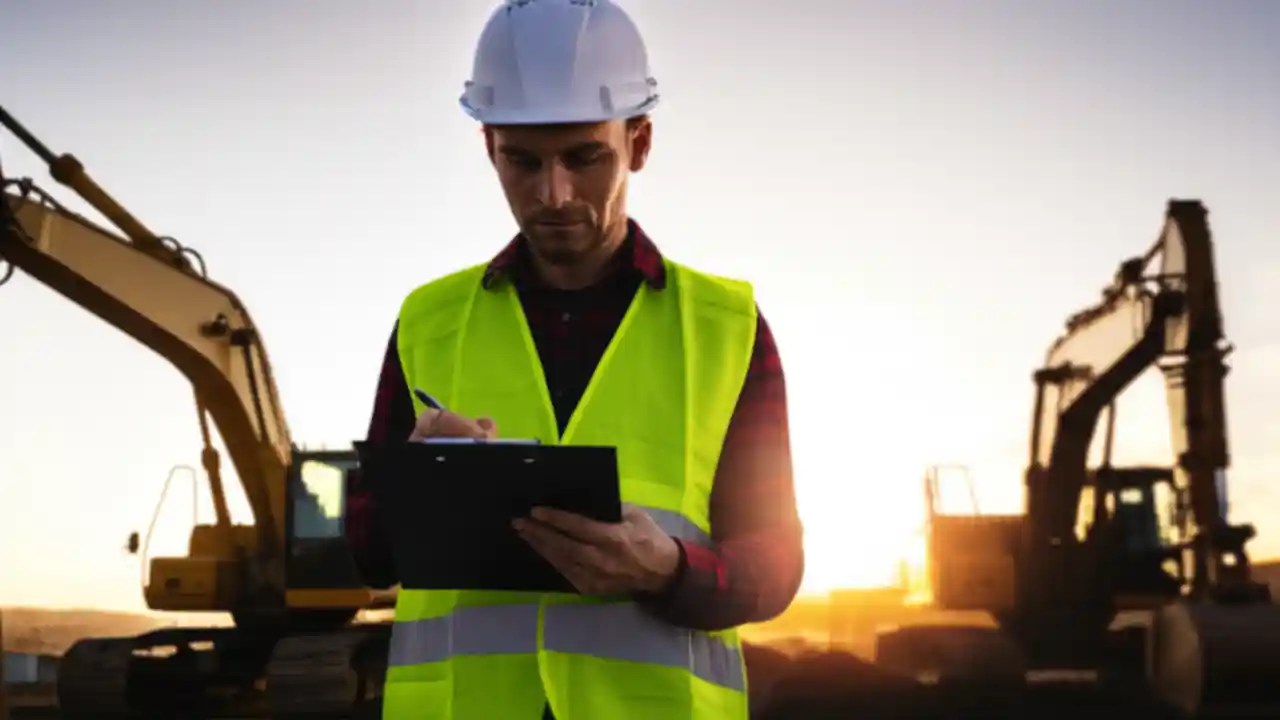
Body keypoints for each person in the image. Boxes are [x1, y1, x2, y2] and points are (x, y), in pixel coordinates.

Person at [344, 1, 804, 717]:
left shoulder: (727, 327)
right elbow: (366, 551)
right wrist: (410, 481)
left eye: (584, 157)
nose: (552, 194)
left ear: (640, 142)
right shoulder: (427, 323)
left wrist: (671, 571)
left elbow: (775, 561)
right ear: (488, 145)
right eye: (522, 161)